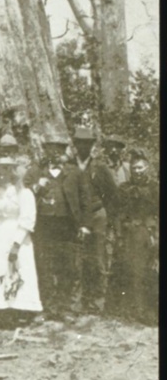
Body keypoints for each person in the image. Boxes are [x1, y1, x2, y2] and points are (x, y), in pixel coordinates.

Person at [0, 157, 42, 323]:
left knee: (18, 269)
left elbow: (27, 219)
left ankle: (21, 309)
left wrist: (17, 244)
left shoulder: (23, 193)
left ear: (13, 172)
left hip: (18, 234)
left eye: (6, 169)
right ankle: (0, 308)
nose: (1, 173)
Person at [33, 136, 93, 319]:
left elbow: (85, 200)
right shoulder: (38, 172)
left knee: (70, 267)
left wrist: (85, 225)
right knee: (45, 267)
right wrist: (37, 188)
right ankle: (49, 308)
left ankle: (68, 308)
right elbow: (26, 196)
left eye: (59, 149)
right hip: (44, 225)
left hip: (68, 226)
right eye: (51, 149)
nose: (55, 153)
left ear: (64, 151)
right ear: (46, 152)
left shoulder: (75, 172)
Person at [72, 126, 120, 313]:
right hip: (76, 218)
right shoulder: (69, 166)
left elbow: (113, 196)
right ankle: (77, 301)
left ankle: (97, 301)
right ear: (75, 145)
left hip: (97, 216)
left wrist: (108, 221)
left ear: (92, 145)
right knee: (76, 259)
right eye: (79, 143)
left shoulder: (100, 168)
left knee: (98, 258)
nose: (83, 147)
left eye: (87, 143)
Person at [110, 149, 158, 325]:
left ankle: (149, 311)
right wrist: (119, 234)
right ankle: (134, 311)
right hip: (129, 234)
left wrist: (154, 233)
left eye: (140, 168)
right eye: (134, 168)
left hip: (149, 234)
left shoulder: (154, 188)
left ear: (147, 168)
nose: (137, 171)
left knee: (149, 272)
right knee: (132, 272)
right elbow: (117, 212)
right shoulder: (124, 189)